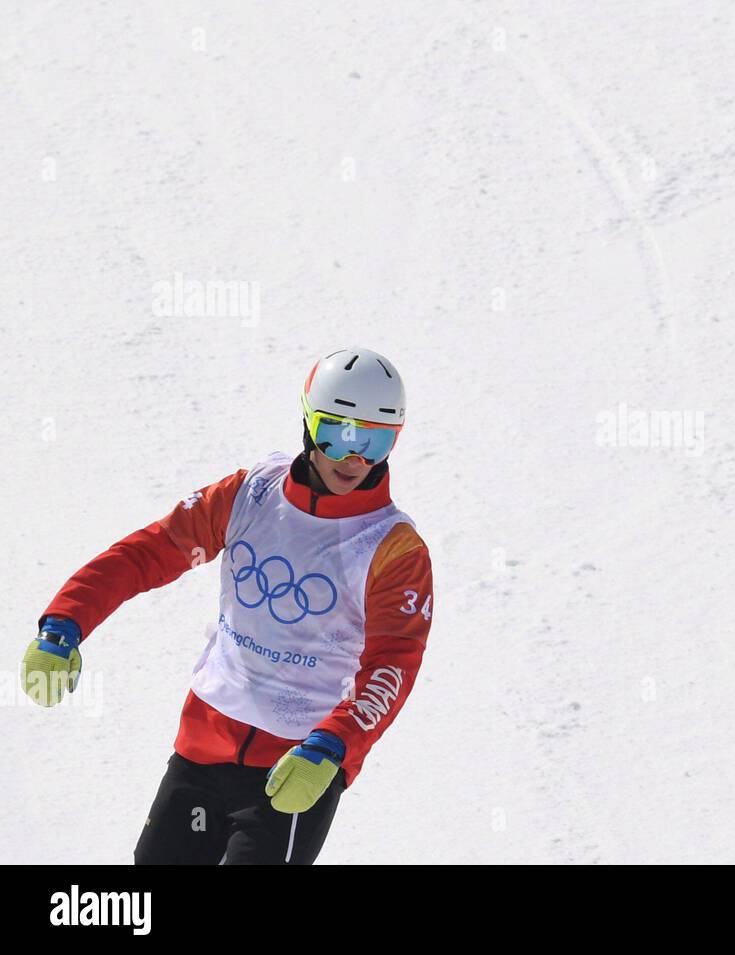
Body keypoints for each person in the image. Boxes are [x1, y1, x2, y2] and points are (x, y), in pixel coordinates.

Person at [20, 347, 434, 864]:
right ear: (308, 422)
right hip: (204, 743)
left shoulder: (391, 547)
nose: (355, 458)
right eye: (338, 433)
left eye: (375, 440)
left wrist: (333, 746)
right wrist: (64, 621)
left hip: (295, 767)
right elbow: (148, 554)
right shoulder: (250, 495)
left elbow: (391, 666)